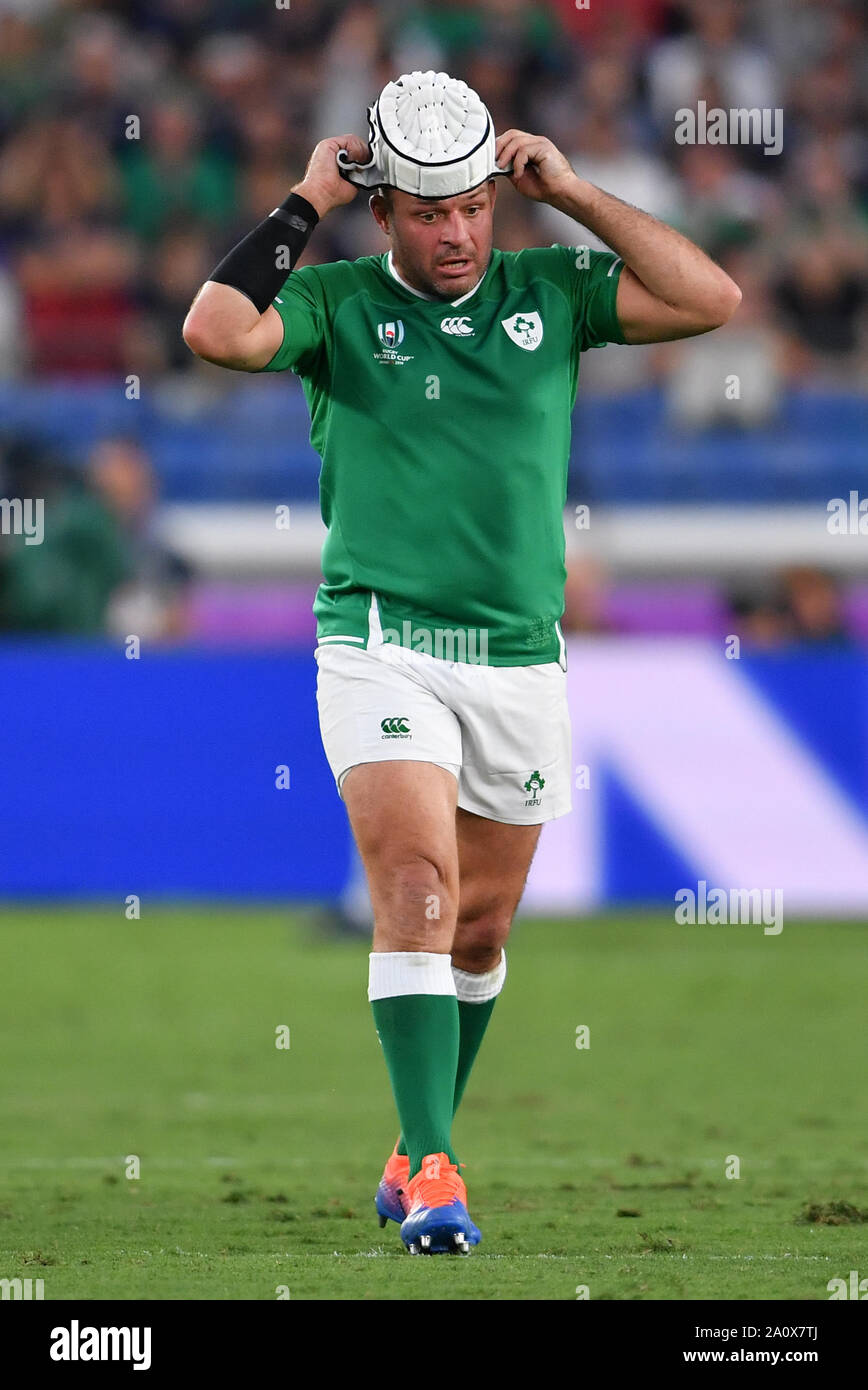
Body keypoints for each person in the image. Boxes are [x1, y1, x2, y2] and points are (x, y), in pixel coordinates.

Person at [182, 70, 740, 1256]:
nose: (457, 234)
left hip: (520, 660)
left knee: (478, 934)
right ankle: (436, 1168)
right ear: (382, 210)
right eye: (430, 213)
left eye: (474, 207)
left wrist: (576, 192)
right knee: (418, 894)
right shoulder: (333, 300)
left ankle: (409, 1137)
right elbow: (215, 329)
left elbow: (712, 297)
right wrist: (298, 202)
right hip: (381, 646)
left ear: (499, 194)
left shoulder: (551, 287)